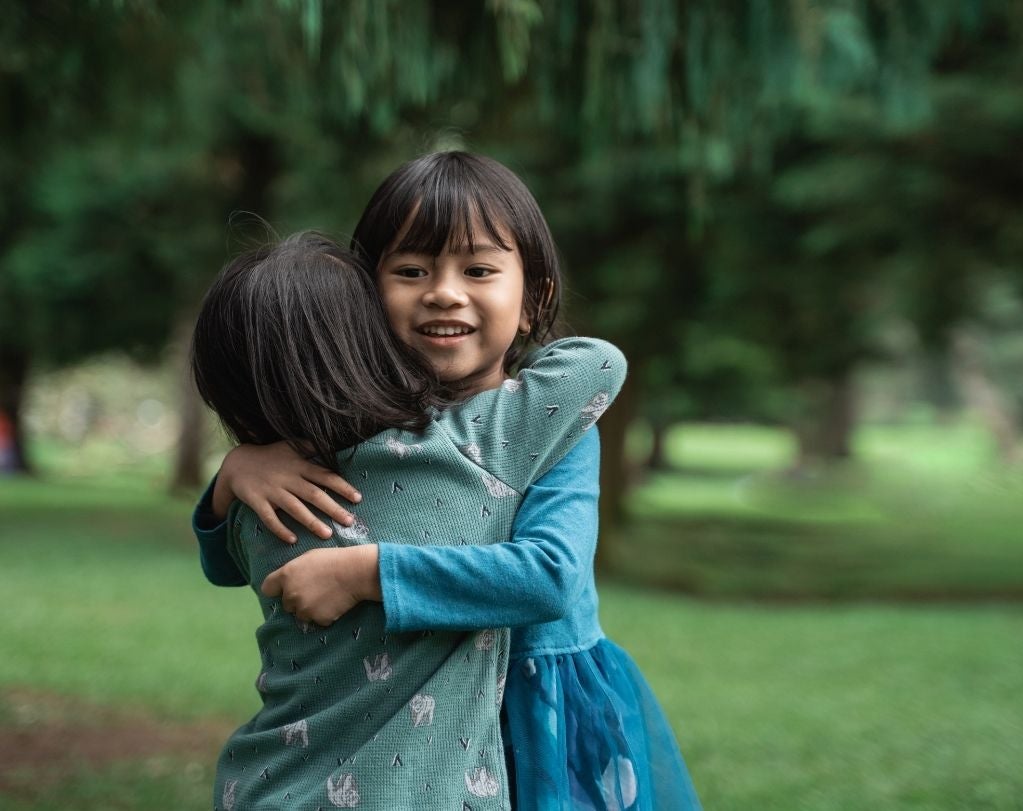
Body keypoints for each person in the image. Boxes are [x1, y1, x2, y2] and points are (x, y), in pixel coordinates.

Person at [195, 152, 702, 810]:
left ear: (534, 299)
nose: (443, 290)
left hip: (540, 695)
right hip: (428, 713)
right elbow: (235, 562)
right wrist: (235, 473)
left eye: (480, 269)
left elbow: (553, 574)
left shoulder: (549, 424)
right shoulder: (353, 434)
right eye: (410, 271)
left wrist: (367, 572)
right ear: (364, 299)